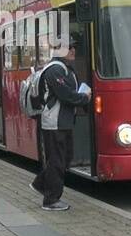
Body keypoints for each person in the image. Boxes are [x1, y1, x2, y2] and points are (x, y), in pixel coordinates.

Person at [30, 36, 90, 211]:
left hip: (63, 122)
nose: (73, 50)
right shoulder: (55, 70)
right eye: (69, 47)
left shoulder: (66, 69)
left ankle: (41, 183)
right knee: (57, 160)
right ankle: (51, 200)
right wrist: (83, 98)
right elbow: (65, 95)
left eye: (73, 47)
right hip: (54, 123)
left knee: (65, 158)